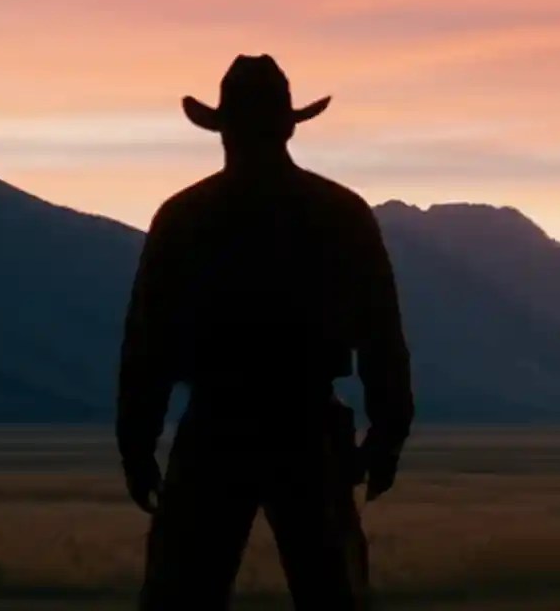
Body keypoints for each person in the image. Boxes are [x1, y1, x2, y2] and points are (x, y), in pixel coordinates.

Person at [116, 54, 414, 610]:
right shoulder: (340, 212)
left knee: (181, 597)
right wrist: (387, 434)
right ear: (288, 126)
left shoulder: (184, 217)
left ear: (221, 129)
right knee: (333, 595)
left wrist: (136, 441)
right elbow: (381, 334)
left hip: (216, 427)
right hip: (306, 427)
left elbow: (147, 344)